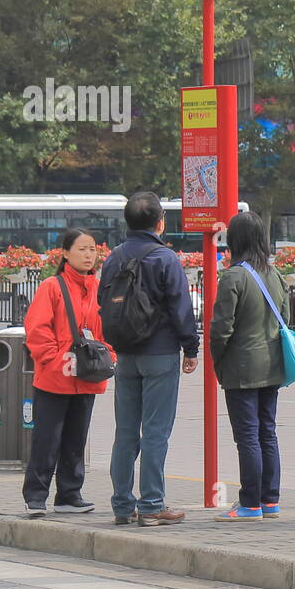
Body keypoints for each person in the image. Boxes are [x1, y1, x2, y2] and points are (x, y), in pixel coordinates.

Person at [99, 192, 199, 527]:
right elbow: (181, 308)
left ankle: (122, 506)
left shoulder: (113, 258)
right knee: (156, 431)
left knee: (125, 432)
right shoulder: (164, 258)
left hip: (125, 355)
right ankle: (152, 505)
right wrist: (191, 348)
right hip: (160, 354)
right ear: (160, 222)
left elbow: (104, 302)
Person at [21, 229, 111, 516]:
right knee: (47, 439)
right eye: (82, 249)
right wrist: (54, 359)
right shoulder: (52, 286)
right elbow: (37, 328)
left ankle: (69, 495)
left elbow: (106, 329)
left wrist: (109, 354)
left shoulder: (99, 287)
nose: (88, 255)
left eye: (92, 249)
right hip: (54, 378)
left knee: (76, 439)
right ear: (65, 253)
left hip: (87, 376)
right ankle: (36, 496)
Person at [209, 212, 288, 521]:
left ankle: (249, 504)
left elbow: (220, 329)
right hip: (272, 367)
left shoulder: (232, 277)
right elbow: (286, 318)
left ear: (234, 240)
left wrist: (218, 361)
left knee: (247, 437)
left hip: (241, 370)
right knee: (268, 433)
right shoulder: (275, 274)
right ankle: (270, 501)